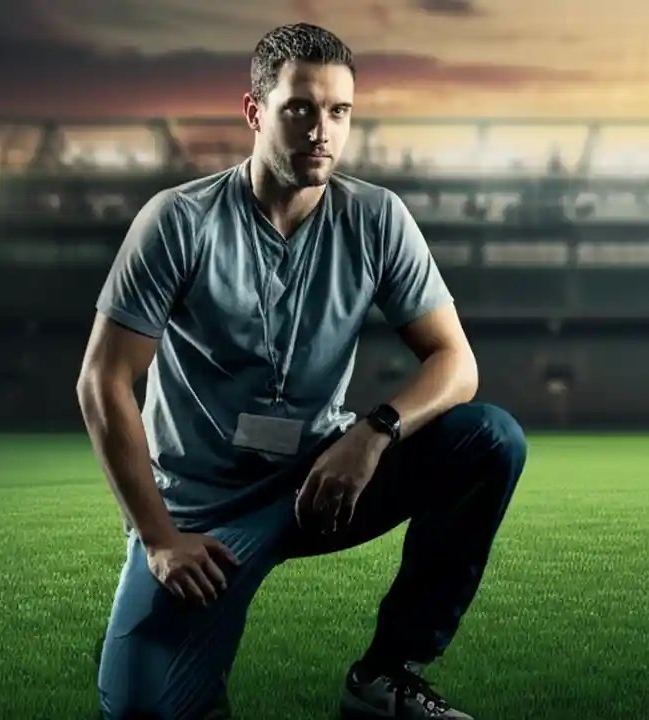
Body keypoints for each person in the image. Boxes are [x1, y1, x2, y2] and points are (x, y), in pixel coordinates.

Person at [76, 22, 528, 720]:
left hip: (319, 481)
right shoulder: (178, 220)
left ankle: (384, 676)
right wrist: (160, 538)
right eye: (301, 109)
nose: (322, 130)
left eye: (339, 111)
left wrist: (372, 433)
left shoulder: (376, 217)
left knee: (489, 438)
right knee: (142, 711)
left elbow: (456, 362)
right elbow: (103, 382)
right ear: (256, 112)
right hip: (202, 508)